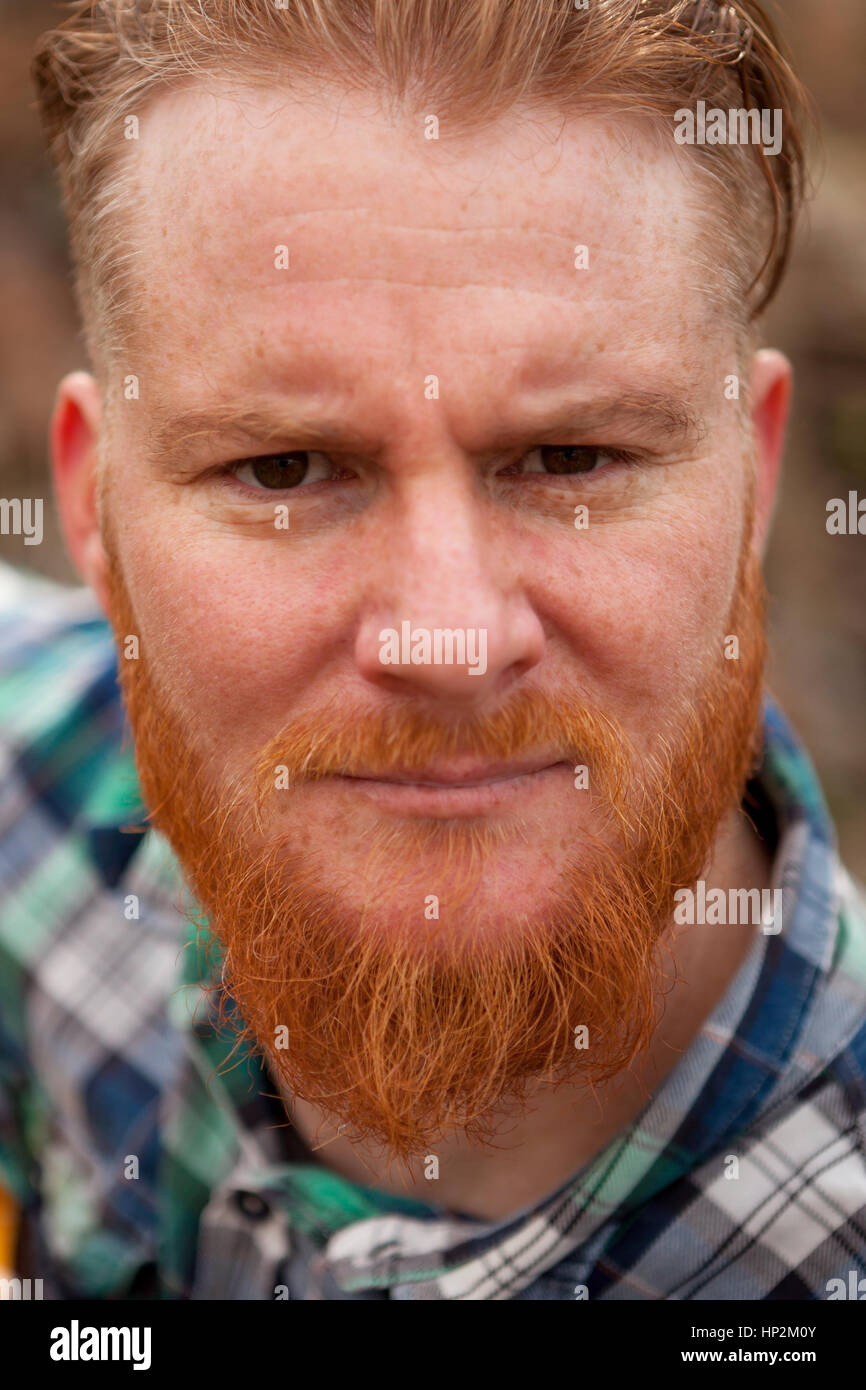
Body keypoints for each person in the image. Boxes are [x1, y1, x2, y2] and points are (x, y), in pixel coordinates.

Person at [0, 0, 863, 1301]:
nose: (447, 638)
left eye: (571, 457)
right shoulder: (37, 810)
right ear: (95, 511)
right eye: (284, 467)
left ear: (750, 474)